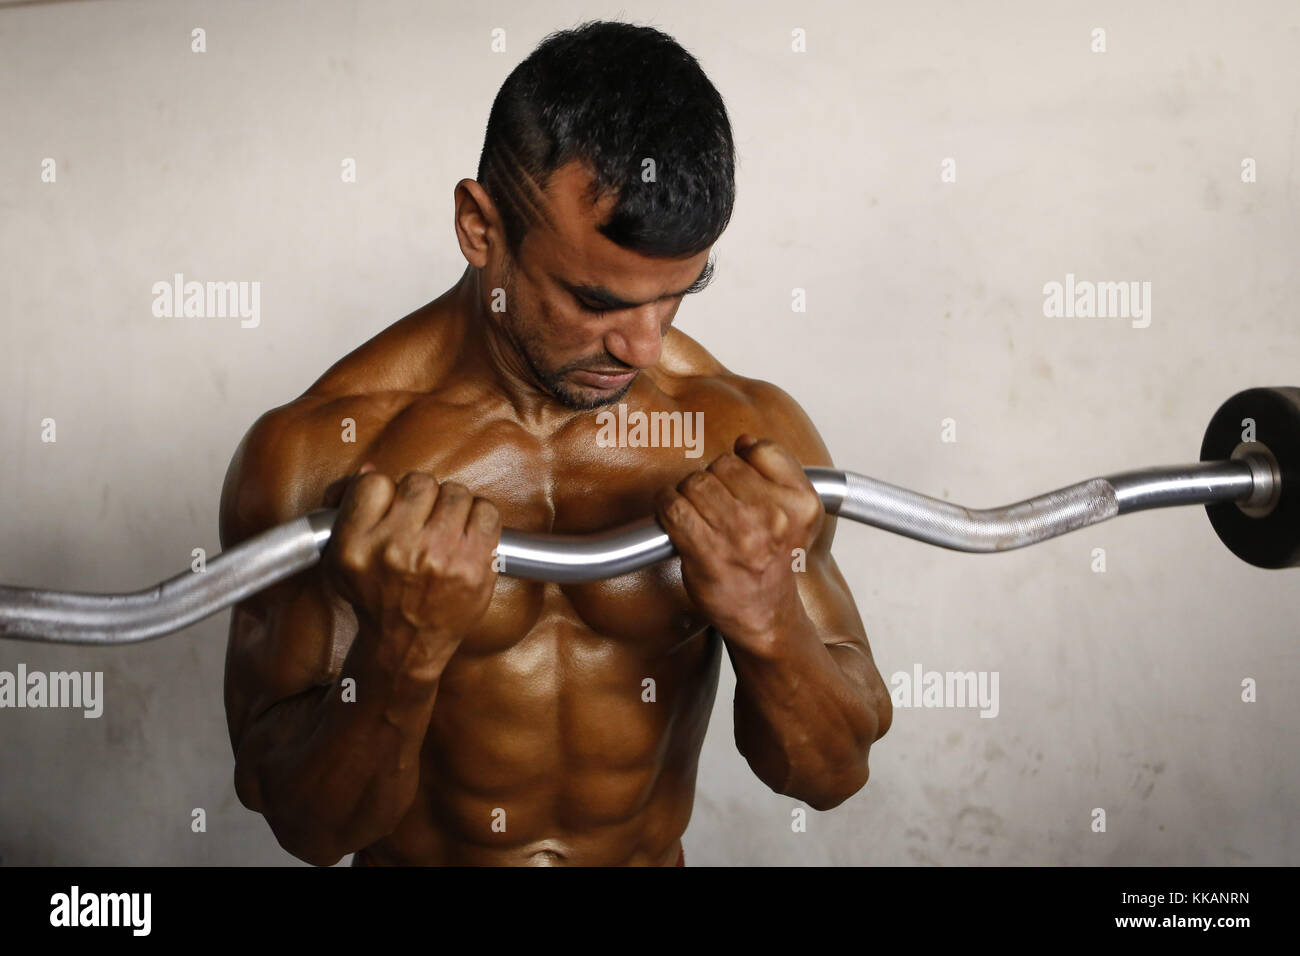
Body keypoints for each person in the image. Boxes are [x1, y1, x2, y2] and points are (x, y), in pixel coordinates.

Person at [219, 19, 891, 866]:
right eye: (597, 300)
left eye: (679, 294)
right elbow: (304, 823)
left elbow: (831, 772)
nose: (642, 348)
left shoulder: (740, 434)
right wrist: (399, 653)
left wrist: (770, 621)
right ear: (479, 226)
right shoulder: (318, 456)